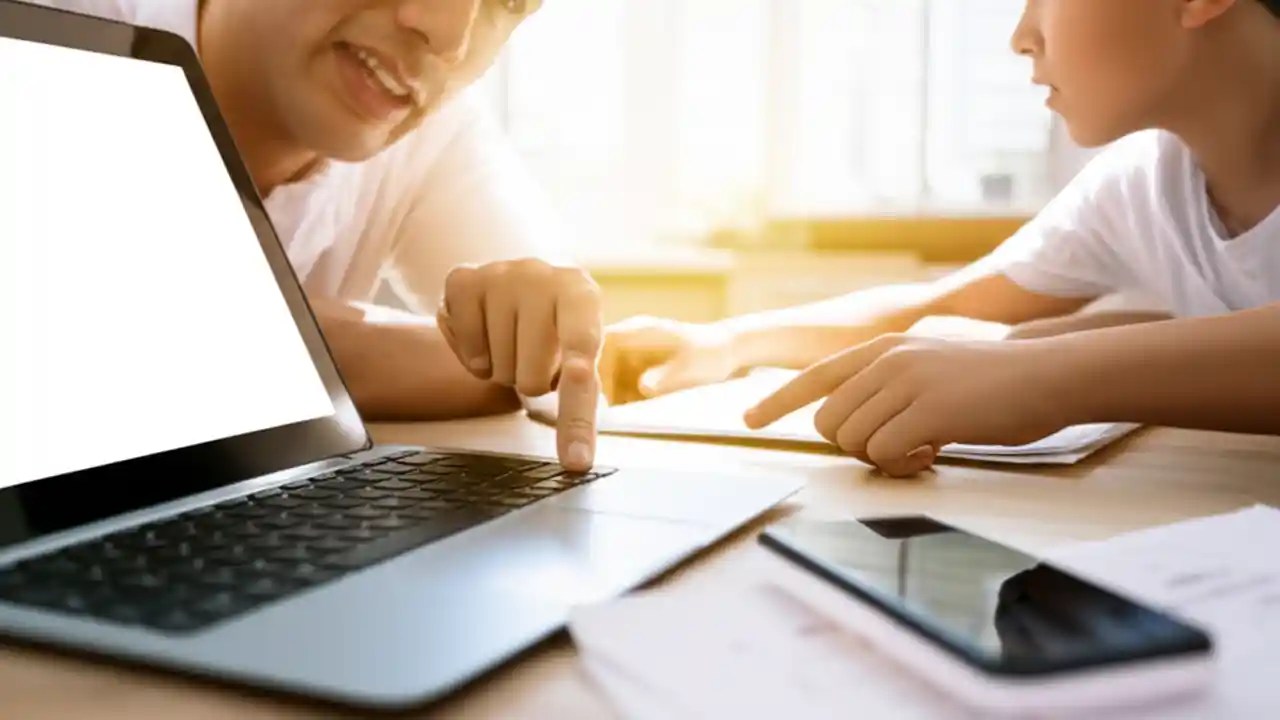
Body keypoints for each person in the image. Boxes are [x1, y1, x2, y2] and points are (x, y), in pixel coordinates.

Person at [604, 0, 1280, 477]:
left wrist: (1044, 378)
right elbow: (953, 306)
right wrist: (731, 342)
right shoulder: (1142, 184)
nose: (1021, 36)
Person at [30, 0, 604, 471]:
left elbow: (542, 361)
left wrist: (297, 343)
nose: (448, 33)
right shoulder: (51, 32)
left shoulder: (429, 129)